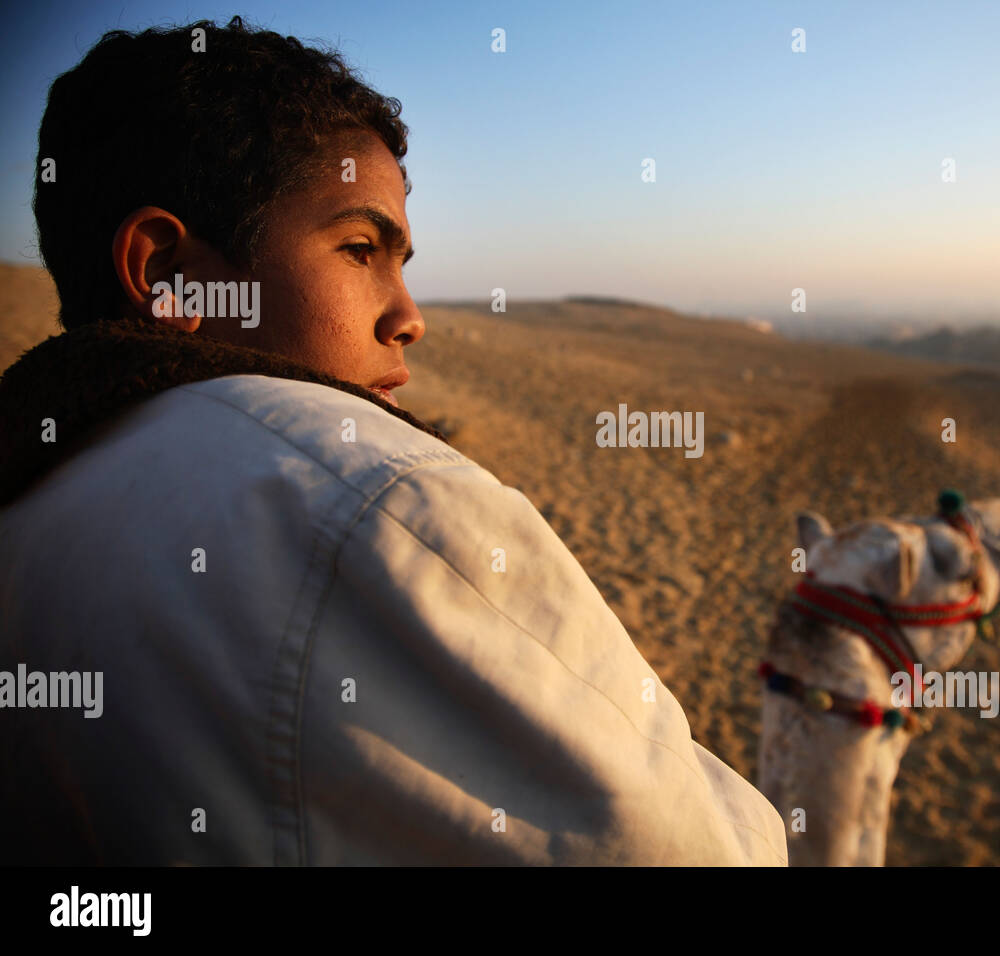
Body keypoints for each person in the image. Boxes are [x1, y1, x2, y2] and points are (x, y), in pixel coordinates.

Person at [0, 17, 787, 866]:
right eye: (359, 247)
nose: (407, 317)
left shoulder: (29, 506)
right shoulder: (377, 497)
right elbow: (689, 847)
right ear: (169, 277)